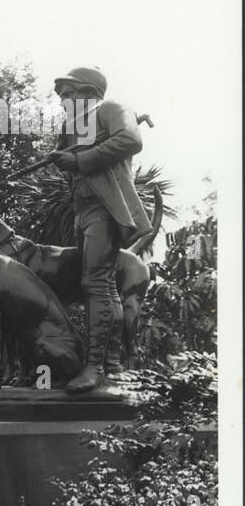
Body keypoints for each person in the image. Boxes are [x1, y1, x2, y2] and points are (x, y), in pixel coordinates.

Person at [47, 67, 153, 393]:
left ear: (88, 92)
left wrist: (80, 160)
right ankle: (111, 365)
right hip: (85, 215)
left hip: (106, 211)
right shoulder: (74, 126)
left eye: (68, 94)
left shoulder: (109, 109)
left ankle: (95, 368)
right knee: (102, 285)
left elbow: (131, 140)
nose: (63, 101)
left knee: (96, 283)